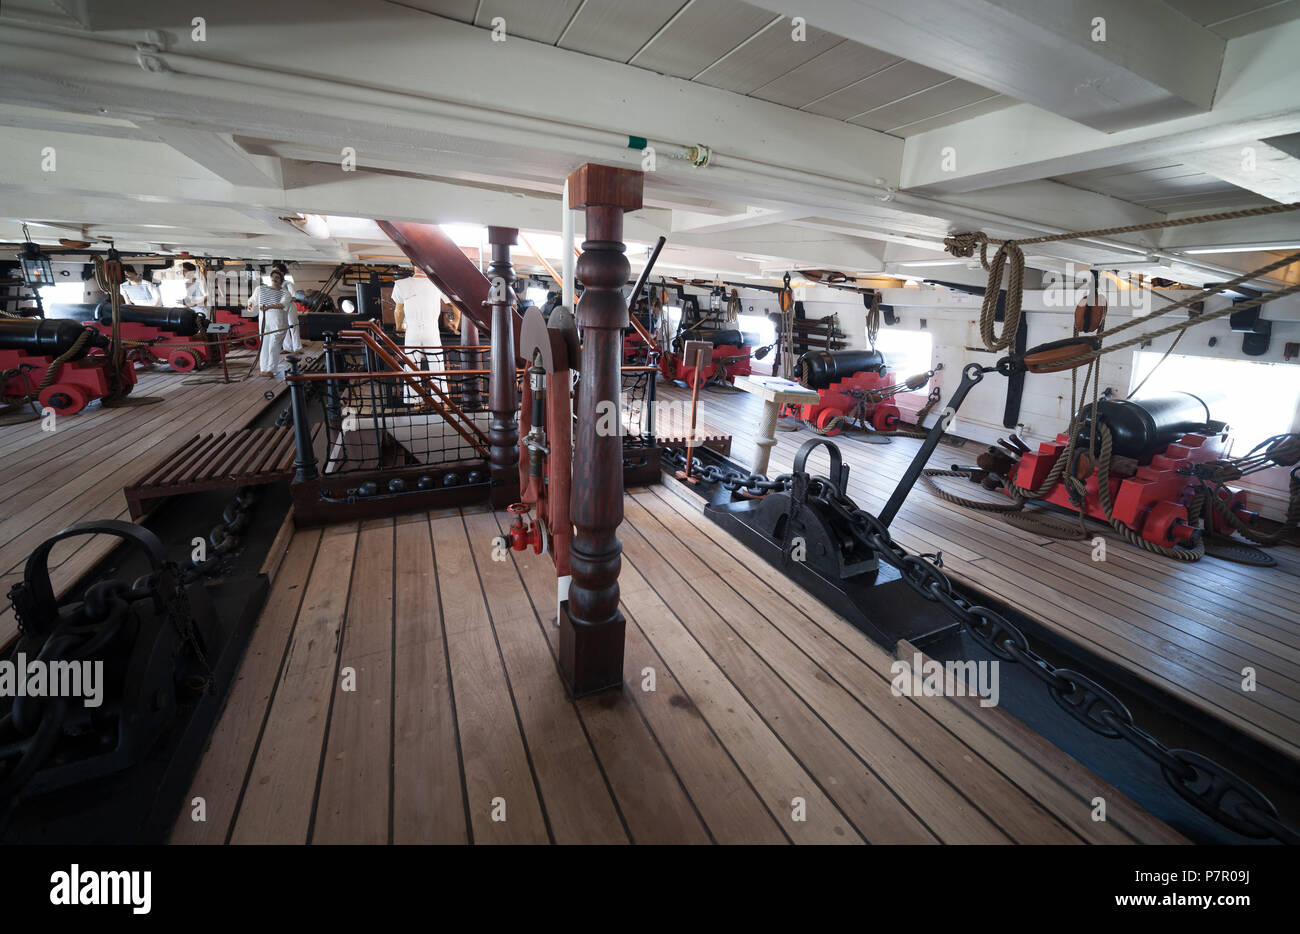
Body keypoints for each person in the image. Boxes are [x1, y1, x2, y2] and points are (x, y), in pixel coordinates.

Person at [391, 267, 446, 400]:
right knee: (437, 364)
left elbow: (399, 311)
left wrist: (398, 327)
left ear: (413, 266)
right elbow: (454, 304)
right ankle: (440, 400)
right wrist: (455, 321)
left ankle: (413, 400)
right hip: (432, 329)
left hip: (412, 329)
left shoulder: (401, 284)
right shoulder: (438, 284)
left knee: (411, 364)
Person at [248, 268, 293, 377]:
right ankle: (264, 369)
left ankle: (271, 369)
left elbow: (282, 305)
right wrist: (250, 305)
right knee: (264, 345)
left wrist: (268, 306)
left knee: (274, 346)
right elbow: (252, 300)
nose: (274, 279)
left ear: (281, 281)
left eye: (277, 278)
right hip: (264, 323)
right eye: (273, 277)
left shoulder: (285, 293)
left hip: (278, 323)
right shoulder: (260, 289)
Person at [271, 262, 301, 352]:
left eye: (276, 271)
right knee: (283, 327)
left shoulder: (288, 284)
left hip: (290, 307)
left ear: (282, 272)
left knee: (293, 326)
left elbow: (294, 297)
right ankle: (287, 348)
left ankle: (297, 348)